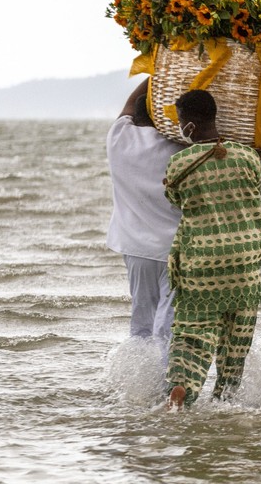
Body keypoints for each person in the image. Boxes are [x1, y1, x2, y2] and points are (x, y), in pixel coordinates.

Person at [163, 90, 261, 409]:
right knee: (236, 340)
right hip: (246, 262)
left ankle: (182, 386)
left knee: (192, 333)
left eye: (180, 121)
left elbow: (174, 200)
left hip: (201, 263)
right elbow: (255, 192)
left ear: (189, 125)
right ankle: (226, 400)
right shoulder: (248, 156)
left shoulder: (178, 163)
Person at [106, 78, 183, 355]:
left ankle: (137, 385)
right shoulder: (178, 148)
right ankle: (167, 385)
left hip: (136, 250)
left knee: (141, 322)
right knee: (169, 324)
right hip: (175, 249)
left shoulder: (117, 138)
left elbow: (128, 104)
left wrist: (154, 72)